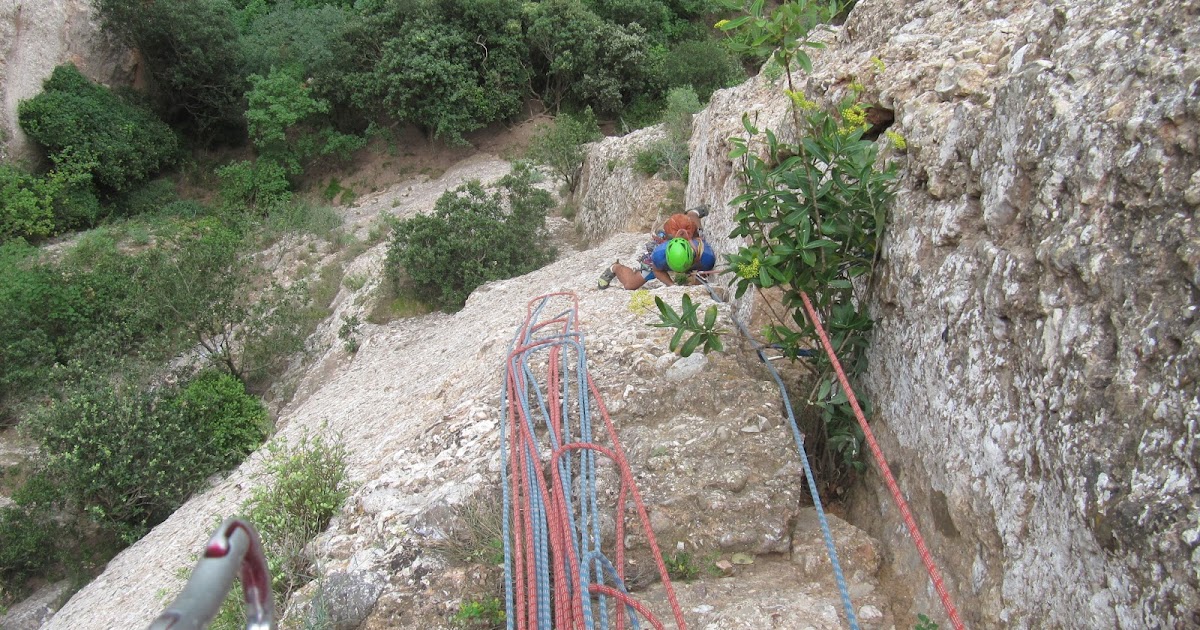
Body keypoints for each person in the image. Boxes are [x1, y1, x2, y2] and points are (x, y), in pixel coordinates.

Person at [597, 205, 716, 290]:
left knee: (693, 227)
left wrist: (694, 287)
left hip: (689, 245)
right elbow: (657, 270)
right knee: (630, 284)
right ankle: (615, 268)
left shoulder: (706, 256)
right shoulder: (659, 254)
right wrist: (671, 285)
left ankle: (692, 213)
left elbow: (702, 276)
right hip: (667, 243)